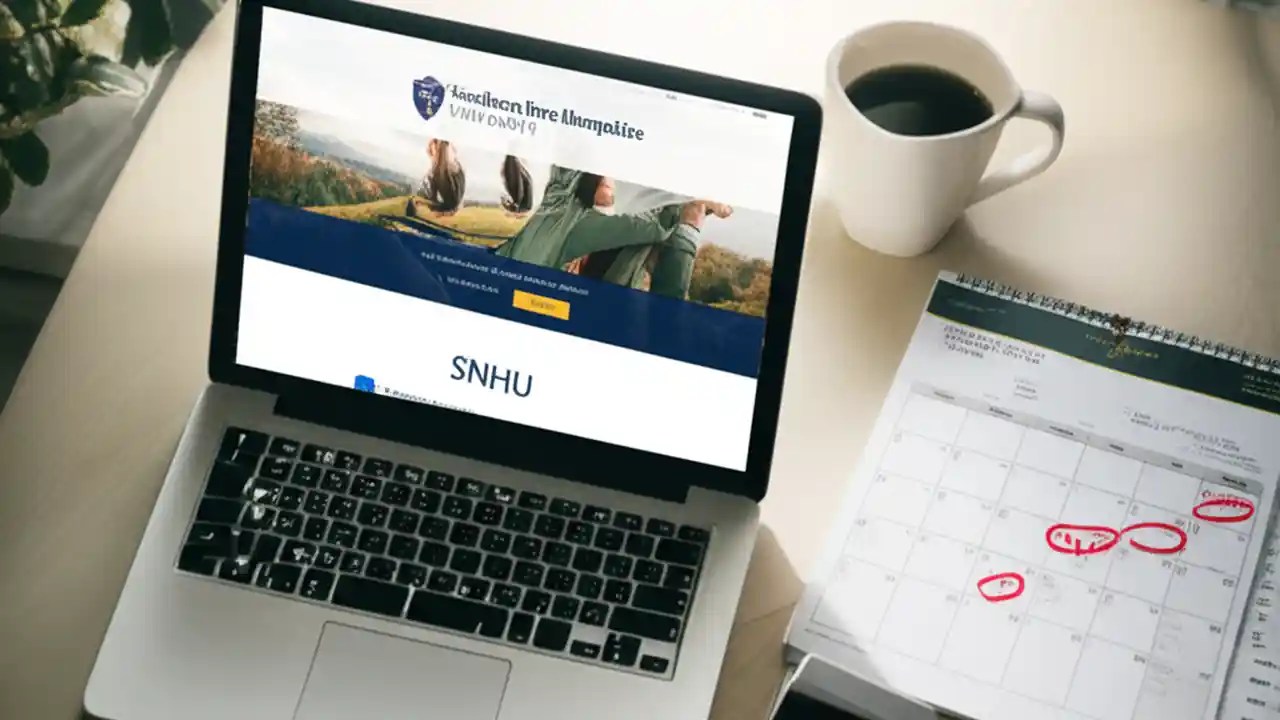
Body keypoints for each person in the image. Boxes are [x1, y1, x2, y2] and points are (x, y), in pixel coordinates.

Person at [495, 166, 726, 299]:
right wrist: (688, 218)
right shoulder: (571, 219)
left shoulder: (562, 212)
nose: (611, 185)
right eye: (606, 182)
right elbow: (653, 226)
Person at [407, 138, 465, 218]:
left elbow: (451, 204)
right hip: (448, 208)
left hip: (447, 210)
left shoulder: (437, 173)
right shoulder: (456, 168)